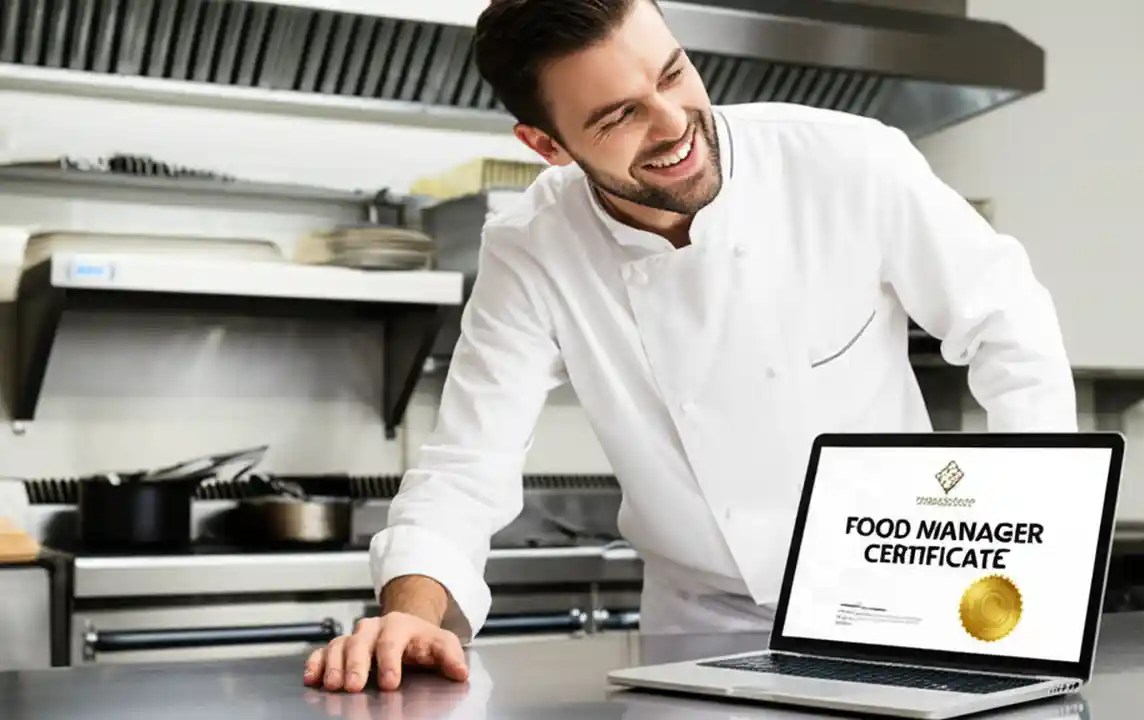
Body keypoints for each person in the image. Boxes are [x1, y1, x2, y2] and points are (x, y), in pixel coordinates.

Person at [304, 0, 1076, 693]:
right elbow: (466, 468)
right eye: (618, 116)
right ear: (547, 143)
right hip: (698, 637)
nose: (673, 123)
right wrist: (412, 614)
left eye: (674, 73)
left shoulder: (846, 163)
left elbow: (1009, 326)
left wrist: (1027, 546)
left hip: (890, 612)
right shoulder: (533, 247)